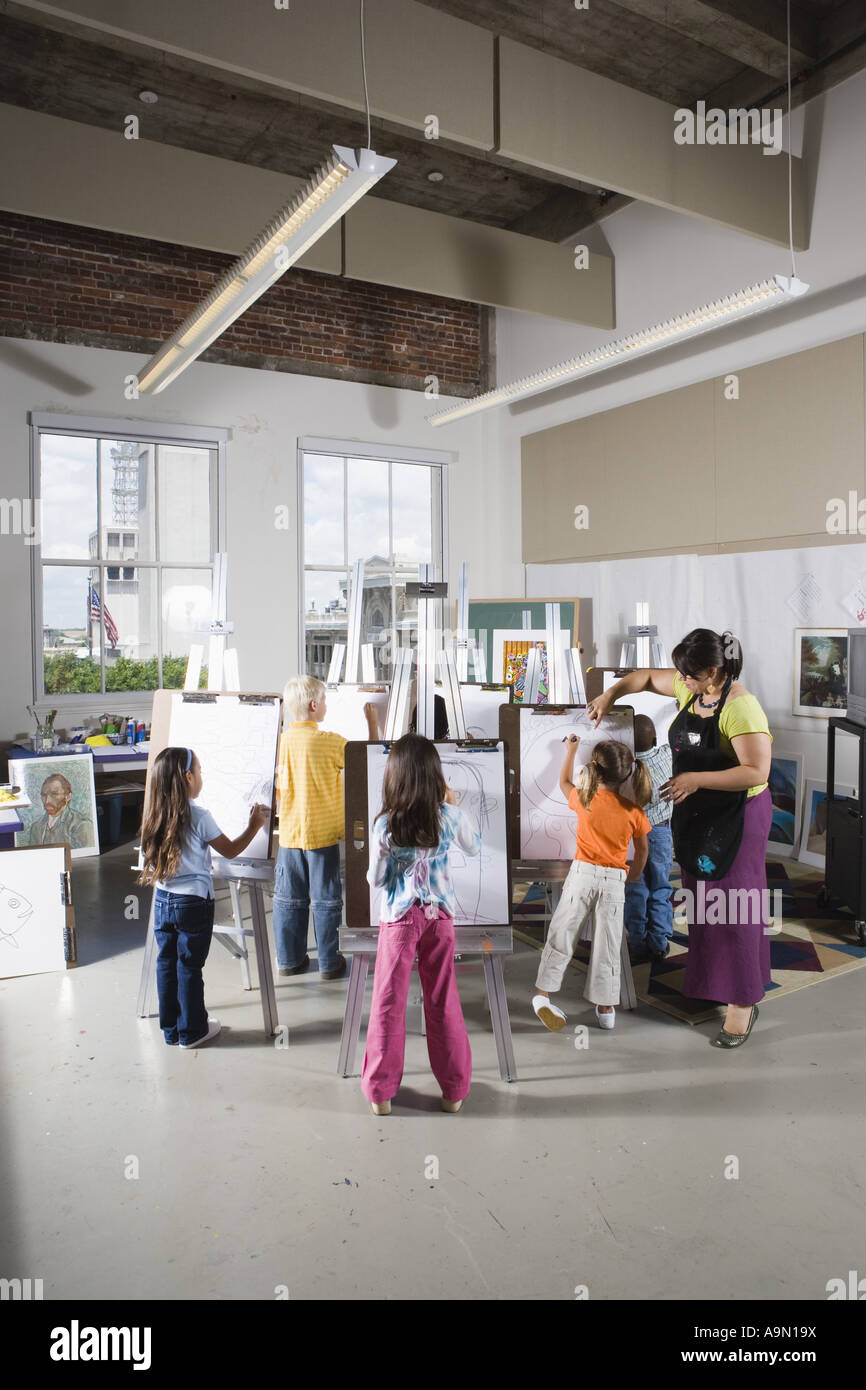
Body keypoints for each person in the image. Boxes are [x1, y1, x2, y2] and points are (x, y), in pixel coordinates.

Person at [588, 629, 773, 1048]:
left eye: (689, 675)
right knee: (705, 901)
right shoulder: (691, 685)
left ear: (712, 672)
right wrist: (611, 695)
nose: (680, 681)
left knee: (736, 906)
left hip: (738, 815)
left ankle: (743, 1003)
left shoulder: (742, 709)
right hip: (699, 810)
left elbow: (756, 771)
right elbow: (640, 679)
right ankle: (715, 984)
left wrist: (694, 779)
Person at [362, 734, 480, 1115]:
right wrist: (454, 804)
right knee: (442, 999)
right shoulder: (449, 817)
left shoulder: (385, 825)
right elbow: (475, 846)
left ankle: (381, 1093)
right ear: (434, 776)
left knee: (388, 1001)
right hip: (439, 918)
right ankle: (454, 1091)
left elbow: (376, 881)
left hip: (399, 920)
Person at [138, 747, 267, 1048]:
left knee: (166, 963)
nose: (201, 776)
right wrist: (254, 826)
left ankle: (171, 1030)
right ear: (187, 777)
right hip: (193, 903)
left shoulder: (153, 813)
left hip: (162, 901)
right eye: (199, 771)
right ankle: (193, 1031)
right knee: (189, 967)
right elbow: (231, 851)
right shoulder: (199, 815)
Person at [533, 735, 651, 1032]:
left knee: (562, 933)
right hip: (614, 880)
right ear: (627, 773)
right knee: (608, 944)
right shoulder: (633, 812)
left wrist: (570, 751)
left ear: (595, 767)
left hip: (582, 875)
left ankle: (543, 995)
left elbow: (563, 783)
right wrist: (634, 874)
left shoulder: (584, 798)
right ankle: (606, 1008)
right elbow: (644, 850)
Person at [274, 675, 379, 980]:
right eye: (325, 703)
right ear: (314, 704)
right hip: (322, 836)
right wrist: (372, 722)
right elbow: (366, 757)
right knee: (326, 901)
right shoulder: (328, 741)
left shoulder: (281, 742)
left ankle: (290, 960)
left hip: (290, 836)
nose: (327, 708)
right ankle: (330, 964)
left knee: (288, 900)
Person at [625, 714, 674, 964]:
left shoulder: (624, 768)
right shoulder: (667, 756)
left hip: (632, 837)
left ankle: (637, 941)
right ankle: (659, 942)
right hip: (661, 834)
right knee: (661, 886)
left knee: (635, 887)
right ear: (655, 738)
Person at [21, 773, 94, 849]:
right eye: (44, 795)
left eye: (54, 794)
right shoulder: (36, 827)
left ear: (68, 797)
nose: (47, 801)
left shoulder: (81, 825)